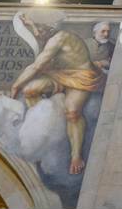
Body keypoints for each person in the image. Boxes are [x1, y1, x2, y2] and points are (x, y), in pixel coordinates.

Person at [9, 12, 108, 175]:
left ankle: (76, 155)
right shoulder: (47, 35)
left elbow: (36, 67)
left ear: (50, 28)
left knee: (72, 111)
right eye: (37, 28)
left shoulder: (60, 38)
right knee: (30, 90)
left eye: (40, 28)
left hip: (82, 77)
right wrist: (30, 24)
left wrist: (15, 86)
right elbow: (38, 39)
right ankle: (42, 130)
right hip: (60, 75)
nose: (38, 32)